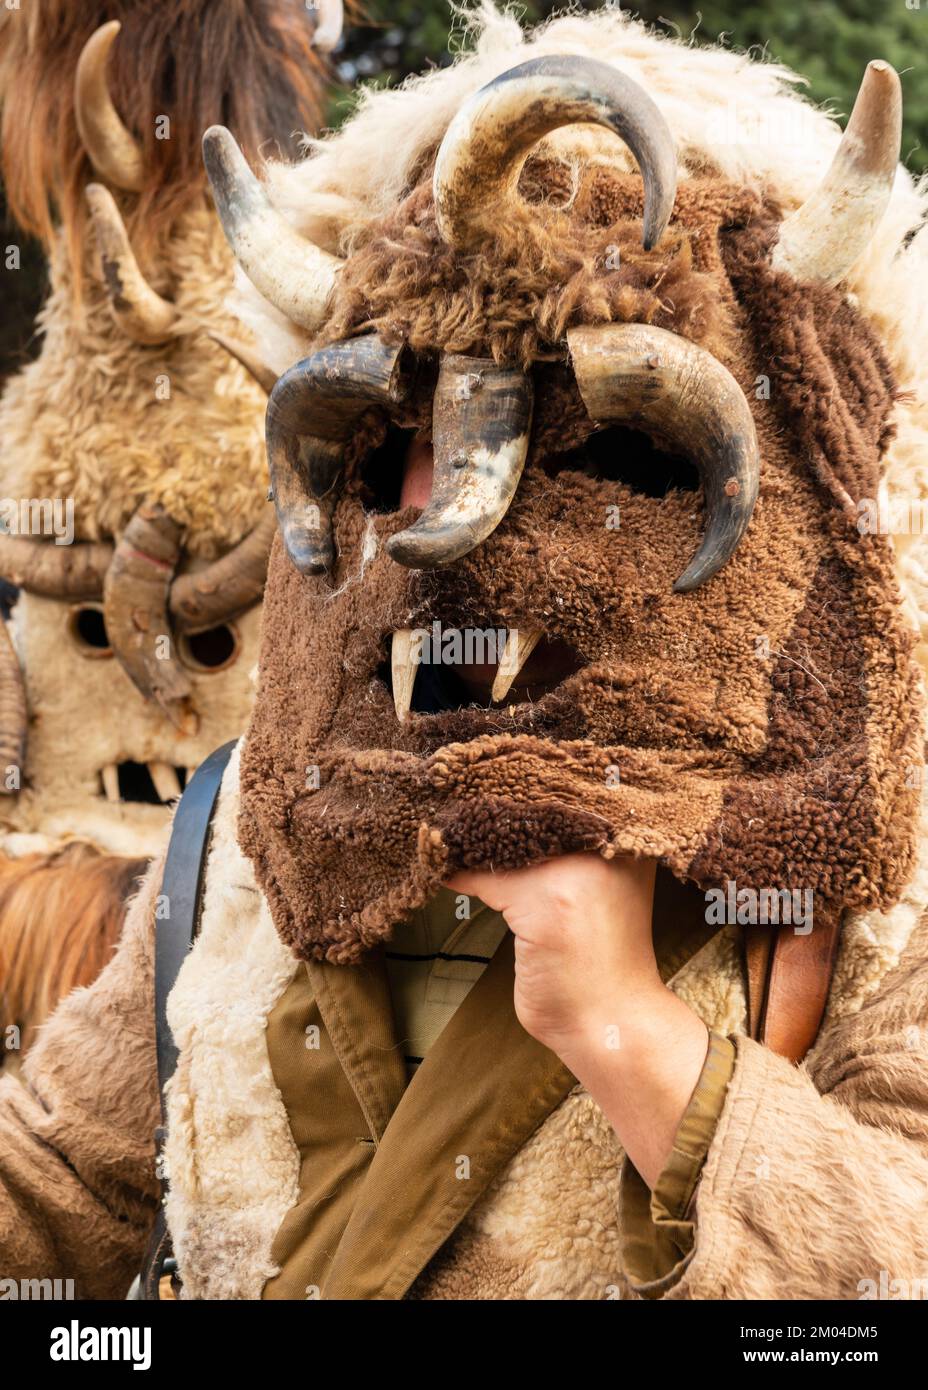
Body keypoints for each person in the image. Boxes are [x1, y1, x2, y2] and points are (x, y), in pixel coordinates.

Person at [3, 5, 928, 1301]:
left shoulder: (882, 893)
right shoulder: (247, 843)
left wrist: (631, 1034)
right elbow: (54, 1192)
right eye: (393, 441)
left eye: (601, 443)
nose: (440, 525)